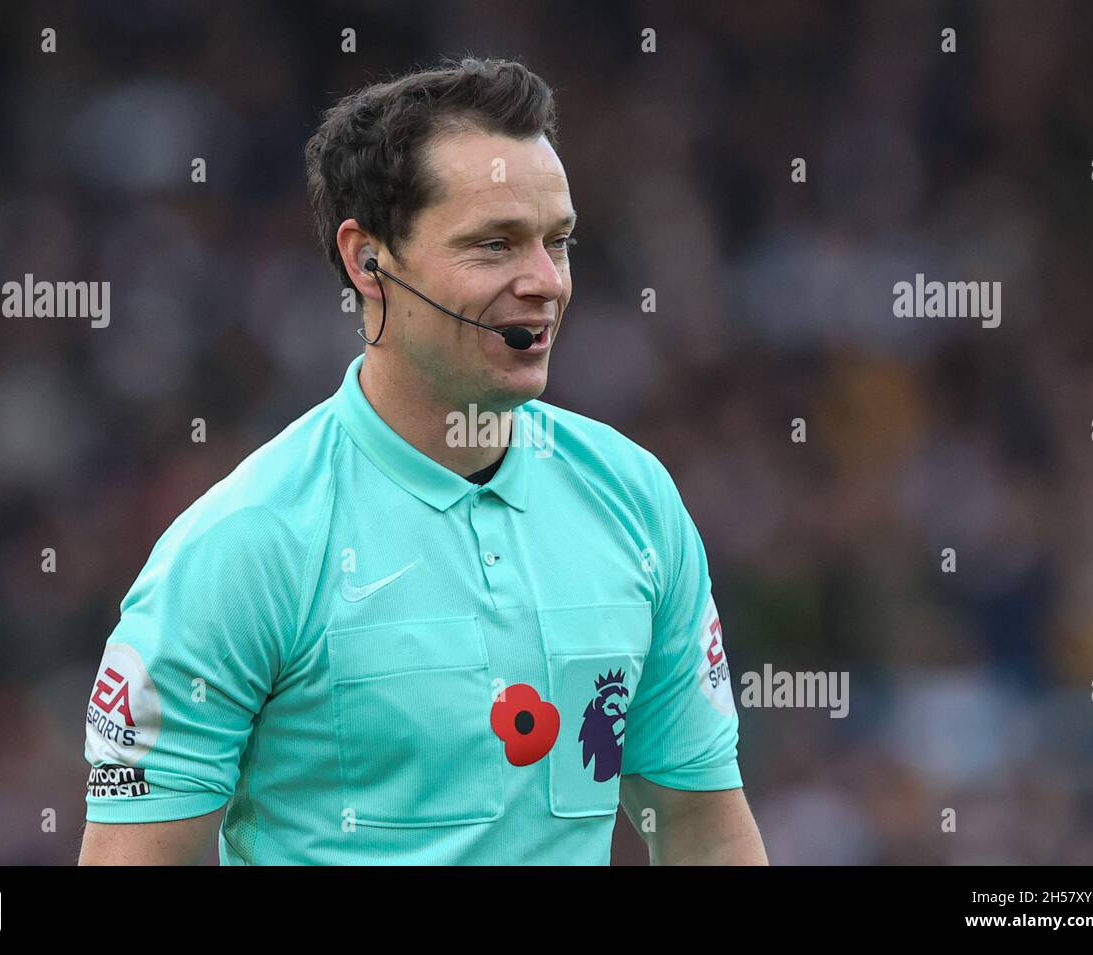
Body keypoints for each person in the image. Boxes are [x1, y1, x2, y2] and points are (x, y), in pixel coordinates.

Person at [78, 55, 767, 865]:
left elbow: (701, 826)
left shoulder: (635, 499)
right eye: (495, 245)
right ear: (368, 261)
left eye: (558, 242)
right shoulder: (245, 545)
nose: (545, 282)